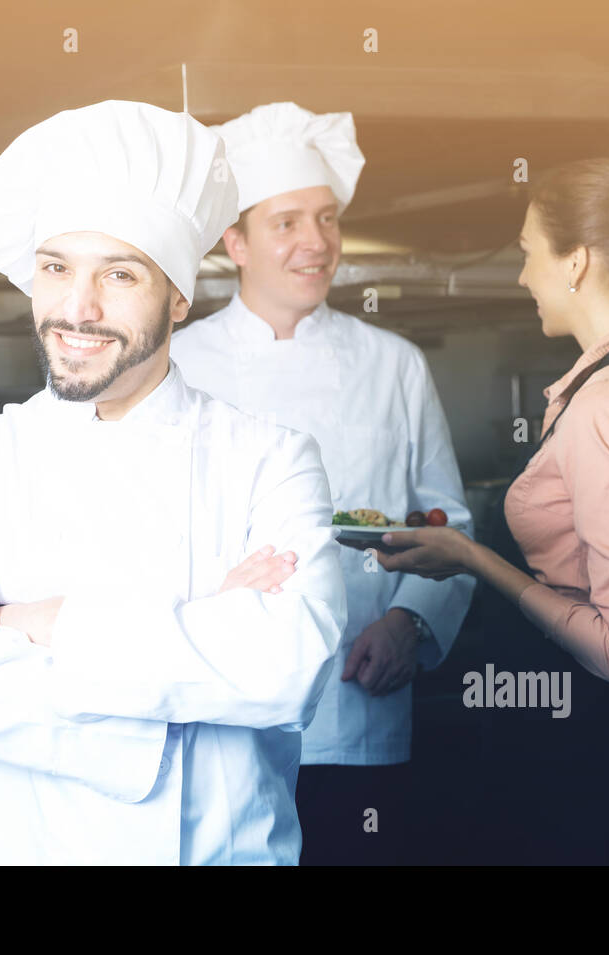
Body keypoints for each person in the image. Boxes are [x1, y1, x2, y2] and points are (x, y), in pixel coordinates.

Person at [0, 100, 348, 865]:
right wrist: (200, 630)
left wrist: (44, 621)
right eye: (56, 268)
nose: (78, 308)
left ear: (178, 297)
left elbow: (288, 669)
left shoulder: (272, 457)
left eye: (119, 274)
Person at [364, 158, 609, 864]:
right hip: (596, 755)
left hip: (599, 771)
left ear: (575, 261)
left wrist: (471, 557)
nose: (521, 276)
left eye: (527, 253)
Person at [170, 102, 473, 865]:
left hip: (360, 711)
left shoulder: (395, 363)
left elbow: (448, 522)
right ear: (233, 242)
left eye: (328, 218)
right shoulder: (180, 365)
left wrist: (411, 623)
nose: (317, 243)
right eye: (287, 222)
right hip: (225, 713)